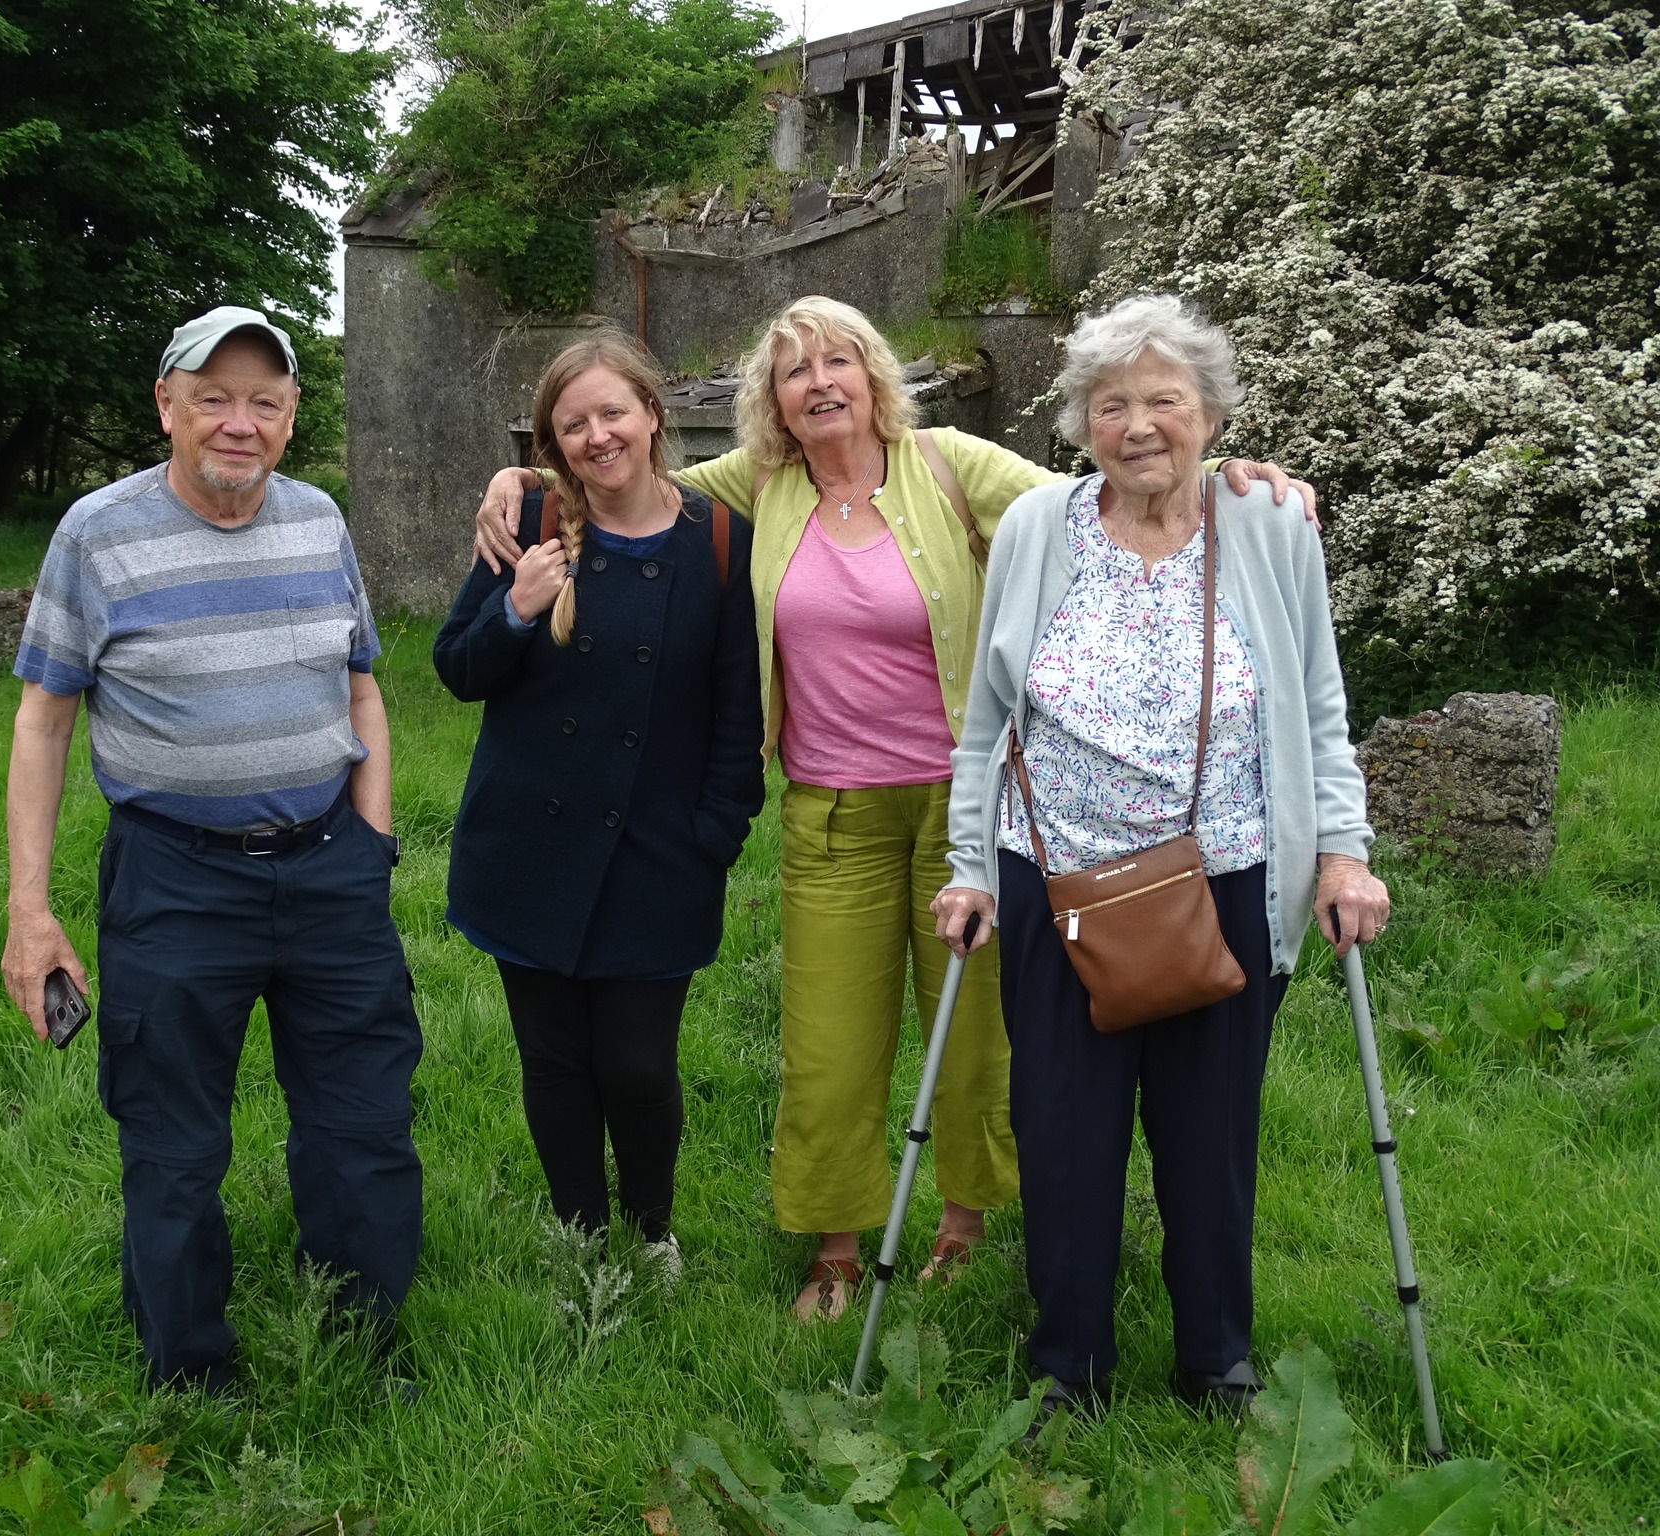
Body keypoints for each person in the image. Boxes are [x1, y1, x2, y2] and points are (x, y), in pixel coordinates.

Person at [474, 296, 1310, 1322]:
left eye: (838, 359)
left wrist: (1228, 478)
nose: (818, 382)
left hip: (971, 809)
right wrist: (520, 478)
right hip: (831, 813)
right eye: (793, 371)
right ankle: (833, 1246)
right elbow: (622, 476)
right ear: (770, 402)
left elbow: (1113, 495)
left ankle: (960, 1227)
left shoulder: (954, 463)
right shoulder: (758, 486)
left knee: (970, 1040)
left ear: (874, 375)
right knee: (826, 1046)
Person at [932, 293, 1387, 1423]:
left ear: (1209, 415)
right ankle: (1065, 1365)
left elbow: (1317, 709)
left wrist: (1340, 854)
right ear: (1082, 422)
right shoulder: (1039, 526)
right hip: (1055, 880)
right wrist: (970, 867)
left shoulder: (1270, 527)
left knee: (1208, 1135)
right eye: (1110, 403)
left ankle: (1215, 1359)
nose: (1137, 424)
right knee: (1061, 1132)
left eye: (1162, 401)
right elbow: (987, 719)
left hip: (1226, 877)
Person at [0, 305, 421, 1394]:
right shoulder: (96, 534)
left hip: (330, 867)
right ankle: (189, 1369)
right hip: (175, 880)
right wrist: (29, 910)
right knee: (175, 1141)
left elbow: (364, 688)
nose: (240, 423)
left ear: (288, 419)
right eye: (215, 398)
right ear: (167, 407)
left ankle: (360, 1337)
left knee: (362, 1122)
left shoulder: (319, 520)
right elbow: (44, 723)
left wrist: (368, 840)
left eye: (265, 403)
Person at [435, 329, 764, 1273]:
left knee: (637, 1062)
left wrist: (716, 833)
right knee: (555, 1061)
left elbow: (736, 707)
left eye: (612, 412)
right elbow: (456, 669)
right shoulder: (530, 520)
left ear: (654, 415)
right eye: (572, 424)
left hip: (660, 853)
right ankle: (578, 1231)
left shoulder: (715, 538)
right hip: (526, 849)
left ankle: (652, 1230)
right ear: (552, 442)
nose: (596, 436)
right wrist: (514, 611)